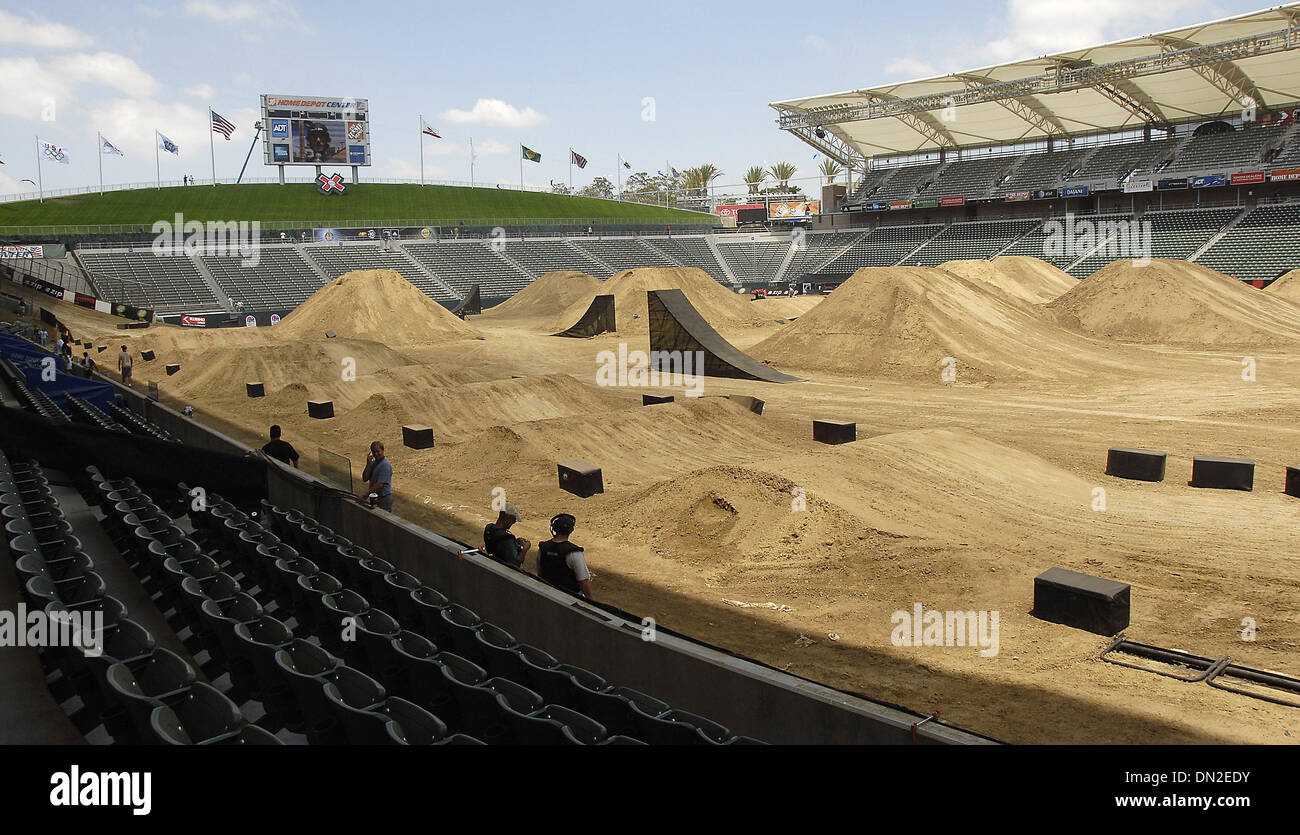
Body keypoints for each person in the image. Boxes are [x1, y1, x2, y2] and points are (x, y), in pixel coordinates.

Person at [537, 513, 592, 599]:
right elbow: (583, 580)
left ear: (554, 528)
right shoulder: (574, 552)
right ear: (571, 530)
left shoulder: (543, 548)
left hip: (547, 594)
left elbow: (540, 572)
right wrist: (590, 600)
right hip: (569, 598)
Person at [483, 503, 530, 568]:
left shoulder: (489, 528)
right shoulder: (507, 538)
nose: (513, 523)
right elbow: (515, 564)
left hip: (492, 563)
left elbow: (500, 543)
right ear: (508, 517)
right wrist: (525, 549)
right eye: (514, 520)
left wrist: (514, 543)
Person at [361, 441, 393, 511]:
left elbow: (379, 485)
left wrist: (366, 495)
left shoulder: (385, 465)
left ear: (383, 450)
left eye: (378, 451)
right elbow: (365, 478)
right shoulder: (373, 463)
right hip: (375, 497)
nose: (376, 454)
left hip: (384, 498)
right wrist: (368, 464)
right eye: (374, 452)